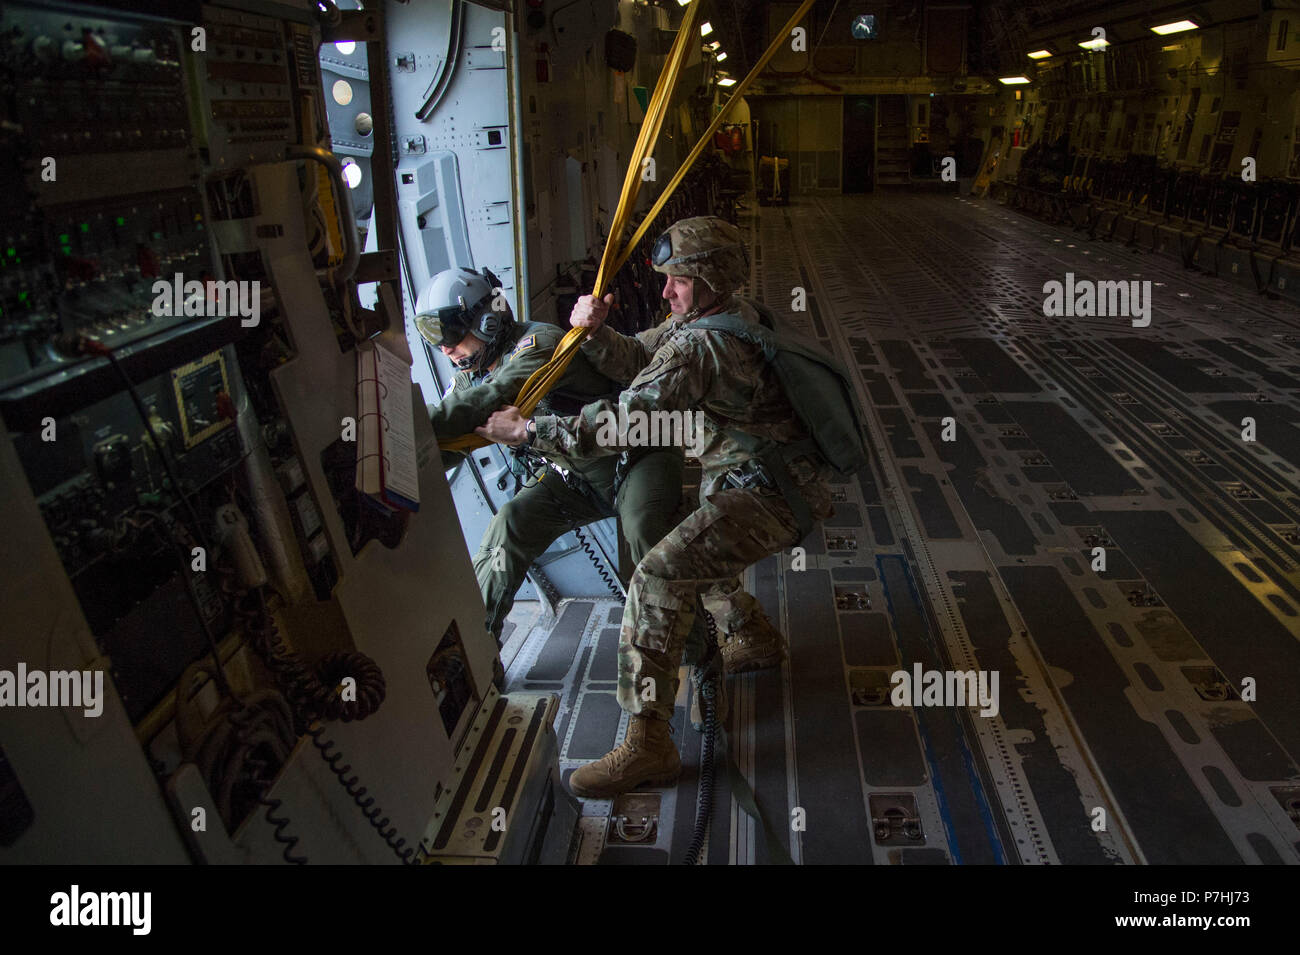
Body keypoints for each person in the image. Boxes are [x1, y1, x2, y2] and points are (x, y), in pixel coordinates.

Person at [475, 217, 834, 798]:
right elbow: (639, 358)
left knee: (658, 576)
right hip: (765, 475)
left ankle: (648, 743)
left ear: (711, 279)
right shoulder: (724, 314)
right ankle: (753, 634)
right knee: (697, 555)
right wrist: (595, 332)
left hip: (768, 492)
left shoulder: (704, 343)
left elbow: (623, 420)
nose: (666, 292)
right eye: (666, 280)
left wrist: (529, 433)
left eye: (679, 280)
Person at [418, 266, 683, 647]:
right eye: (434, 340)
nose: (445, 349)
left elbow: (483, 403)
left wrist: (399, 426)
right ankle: (478, 648)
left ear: (489, 322)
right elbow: (453, 434)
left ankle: (701, 648)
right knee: (510, 524)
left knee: (646, 530)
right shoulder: (472, 372)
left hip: (631, 458)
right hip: (574, 476)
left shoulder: (538, 344)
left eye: (451, 335)